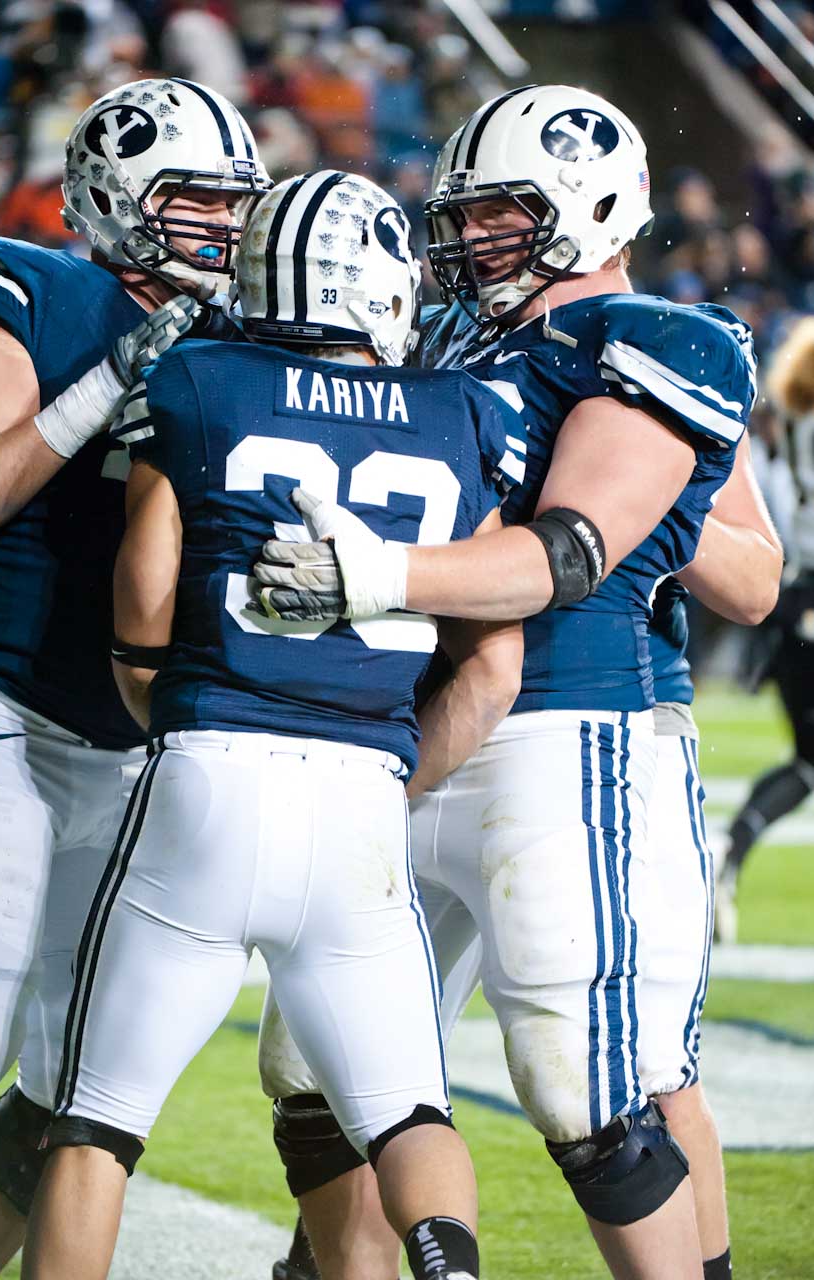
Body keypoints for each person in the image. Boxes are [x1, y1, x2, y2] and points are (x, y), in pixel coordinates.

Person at [254, 85, 778, 1280]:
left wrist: (645, 491)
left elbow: (743, 581)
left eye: (503, 215)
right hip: (412, 722)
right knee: (324, 1064)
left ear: (595, 206)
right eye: (467, 215)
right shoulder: (439, 337)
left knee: (613, 1072)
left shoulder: (653, 336)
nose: (472, 238)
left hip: (579, 724)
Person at [19, 168, 526, 1280]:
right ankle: (450, 1270)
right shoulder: (464, 412)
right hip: (359, 793)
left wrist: (172, 701)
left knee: (98, 1117)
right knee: (408, 1111)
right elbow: (496, 652)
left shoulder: (201, 377)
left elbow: (142, 604)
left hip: (209, 767)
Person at [0, 76, 270, 1280]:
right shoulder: (33, 288)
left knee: (70, 1092)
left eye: (237, 206)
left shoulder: (243, 337)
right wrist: (102, 385)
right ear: (114, 194)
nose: (221, 231)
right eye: (193, 201)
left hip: (136, 741)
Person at [715, 316, 814, 941]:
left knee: (809, 762)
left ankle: (733, 847)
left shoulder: (795, 420)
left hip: (796, 596)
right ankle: (729, 846)